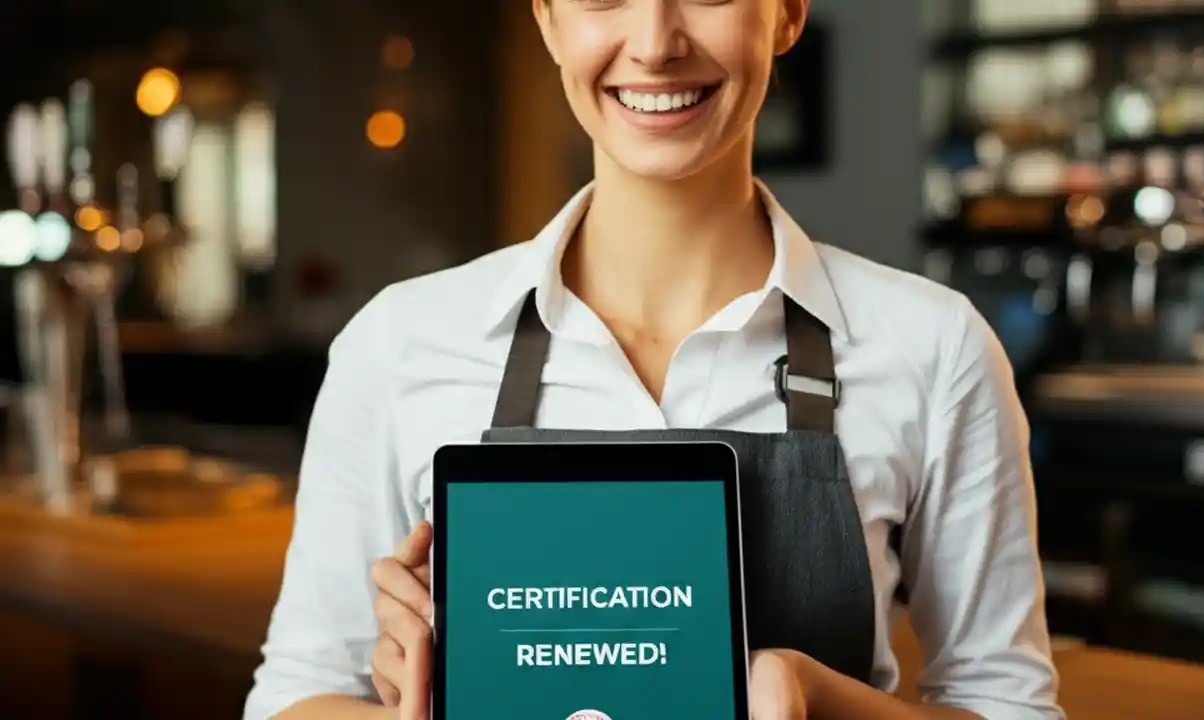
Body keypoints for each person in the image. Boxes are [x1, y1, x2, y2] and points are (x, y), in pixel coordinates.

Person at [245, 0, 1063, 718]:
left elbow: (1007, 705)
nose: (655, 43)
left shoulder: (934, 348)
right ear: (547, 20)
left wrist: (813, 698)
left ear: (788, 11)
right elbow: (294, 698)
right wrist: (428, 707)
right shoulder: (399, 343)